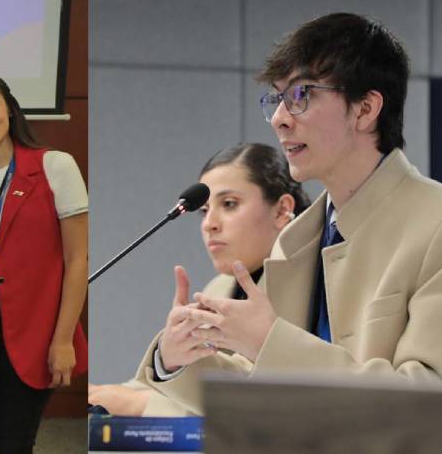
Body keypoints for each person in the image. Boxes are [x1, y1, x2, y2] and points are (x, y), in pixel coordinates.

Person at [134, 12, 442, 414]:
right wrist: (175, 360)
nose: (279, 119)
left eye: (301, 95)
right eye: (276, 99)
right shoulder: (298, 238)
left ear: (365, 109)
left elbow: (436, 404)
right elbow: (266, 387)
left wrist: (270, 342)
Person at [87, 143, 309, 417]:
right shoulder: (220, 287)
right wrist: (108, 393)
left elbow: (272, 401)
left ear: (281, 210)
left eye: (229, 204)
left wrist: (139, 405)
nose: (209, 223)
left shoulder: (312, 287)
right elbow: (201, 384)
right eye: (204, 211)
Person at [0, 72, 89, 453]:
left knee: (12, 441)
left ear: (10, 110)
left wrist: (62, 339)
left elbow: (77, 260)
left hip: (35, 325)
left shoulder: (55, 166)